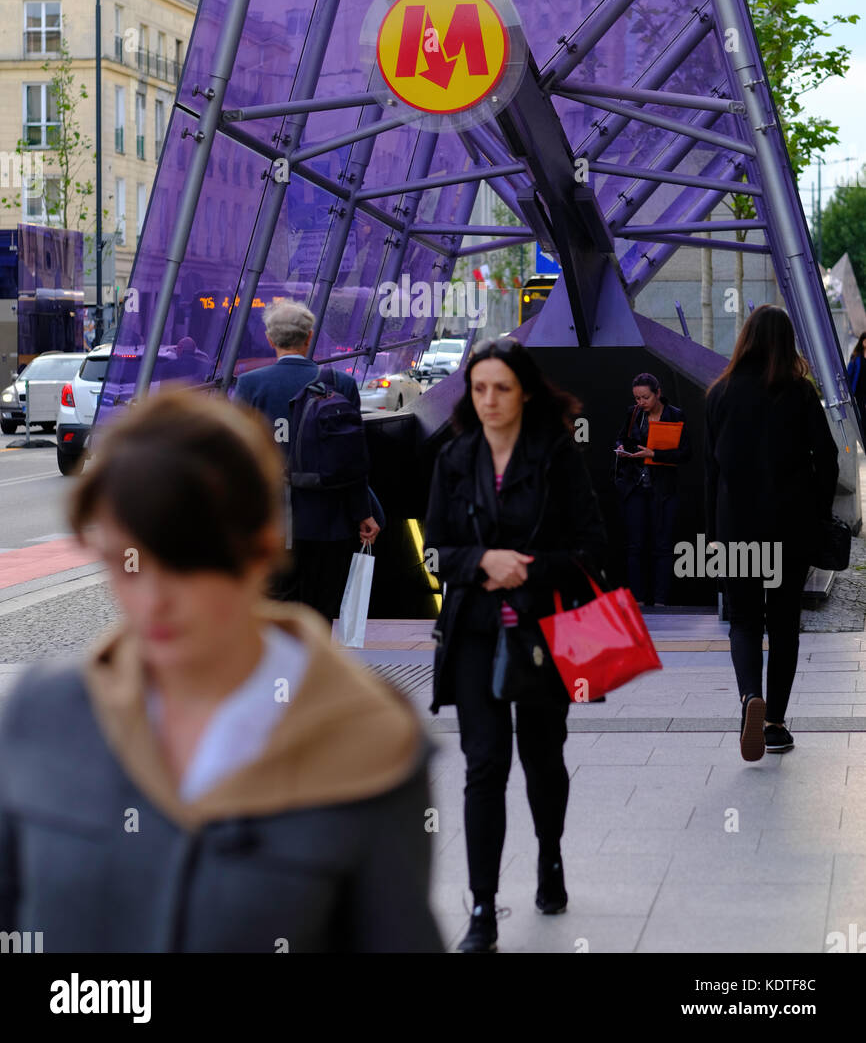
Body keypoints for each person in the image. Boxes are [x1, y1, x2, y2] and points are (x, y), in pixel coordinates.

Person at [0, 389, 443, 953]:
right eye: (126, 562)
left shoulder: (372, 741)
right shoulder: (44, 715)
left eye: (186, 564)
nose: (153, 600)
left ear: (260, 551)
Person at [424, 337, 606, 954]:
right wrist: (481, 561)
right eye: (479, 389)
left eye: (501, 388)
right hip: (475, 633)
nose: (489, 400)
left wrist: (529, 568)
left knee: (543, 759)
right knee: (484, 767)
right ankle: (481, 909)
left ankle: (550, 856)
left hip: (544, 633)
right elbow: (434, 553)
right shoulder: (453, 459)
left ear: (524, 390)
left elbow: (591, 549)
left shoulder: (555, 455)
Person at [704, 305, 839, 761]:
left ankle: (748, 700)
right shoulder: (800, 393)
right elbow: (829, 459)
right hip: (790, 526)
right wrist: (817, 511)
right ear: (787, 342)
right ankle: (776, 724)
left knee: (742, 621)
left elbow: (711, 471)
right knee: (784, 624)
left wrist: (712, 532)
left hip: (736, 528)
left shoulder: (718, 394)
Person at [233, 299, 379, 622]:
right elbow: (353, 459)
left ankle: (280, 672)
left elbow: (237, 459)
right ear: (309, 337)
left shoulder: (249, 385)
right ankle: (315, 670)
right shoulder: (341, 384)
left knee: (274, 614)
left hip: (272, 524)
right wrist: (363, 514)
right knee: (321, 613)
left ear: (270, 339)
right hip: (331, 521)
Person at [614, 372, 691, 608]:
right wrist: (621, 449)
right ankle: (637, 600)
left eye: (645, 397)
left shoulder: (675, 415)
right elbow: (621, 439)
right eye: (637, 398)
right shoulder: (634, 414)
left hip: (663, 488)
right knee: (636, 545)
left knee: (663, 545)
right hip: (636, 486)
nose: (641, 403)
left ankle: (660, 601)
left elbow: (685, 454)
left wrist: (654, 454)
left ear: (658, 393)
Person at [846, 331, 866, 428]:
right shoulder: (856, 357)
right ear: (862, 342)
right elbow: (849, 374)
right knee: (863, 413)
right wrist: (848, 391)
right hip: (860, 391)